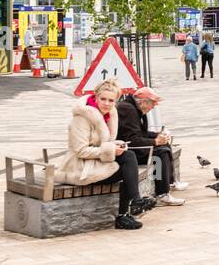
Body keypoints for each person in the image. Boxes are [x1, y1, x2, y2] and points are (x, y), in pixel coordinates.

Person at [52, 79, 155, 230]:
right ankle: (128, 210)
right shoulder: (82, 119)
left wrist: (115, 145)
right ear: (96, 97)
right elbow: (81, 151)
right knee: (128, 166)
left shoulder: (109, 115)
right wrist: (111, 150)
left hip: (97, 164)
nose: (107, 103)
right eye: (103, 99)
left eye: (111, 100)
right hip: (80, 169)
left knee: (128, 158)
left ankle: (131, 207)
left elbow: (103, 143)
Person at [116, 87, 186, 206]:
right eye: (152, 104)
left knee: (164, 145)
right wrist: (155, 142)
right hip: (130, 151)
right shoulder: (128, 110)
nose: (153, 107)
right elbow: (132, 140)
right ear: (143, 102)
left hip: (133, 148)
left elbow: (139, 134)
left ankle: (171, 182)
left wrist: (157, 136)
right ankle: (162, 194)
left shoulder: (134, 109)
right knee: (160, 153)